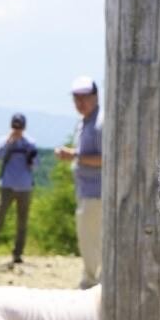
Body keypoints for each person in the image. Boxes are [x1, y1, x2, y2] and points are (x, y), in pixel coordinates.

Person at [55, 76, 102, 289]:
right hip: (87, 190)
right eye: (76, 98)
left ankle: (91, 283)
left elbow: (106, 158)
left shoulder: (100, 123)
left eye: (84, 98)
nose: (79, 103)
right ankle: (92, 281)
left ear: (95, 97)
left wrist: (73, 155)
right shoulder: (86, 120)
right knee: (89, 239)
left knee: (90, 240)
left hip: (96, 192)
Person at [0, 113, 38, 266]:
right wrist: (9, 143)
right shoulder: (3, 141)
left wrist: (30, 158)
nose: (17, 130)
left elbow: (36, 164)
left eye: (19, 127)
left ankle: (17, 254)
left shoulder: (30, 143)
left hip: (24, 185)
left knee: (22, 221)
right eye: (15, 126)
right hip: (7, 185)